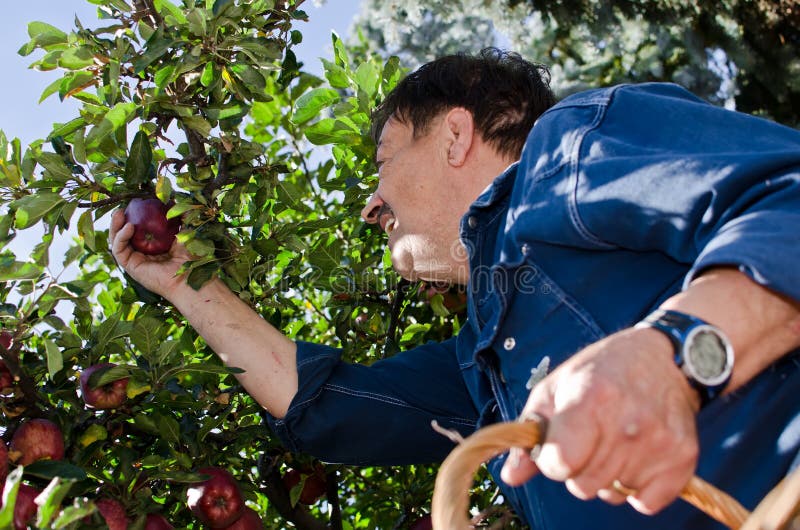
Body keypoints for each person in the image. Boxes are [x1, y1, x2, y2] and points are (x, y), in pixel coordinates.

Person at [110, 48, 800, 528]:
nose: (369, 206)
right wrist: (180, 284)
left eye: (382, 163)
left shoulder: (565, 154)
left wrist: (676, 358)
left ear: (455, 135)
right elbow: (320, 407)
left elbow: (787, 201)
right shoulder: (480, 362)